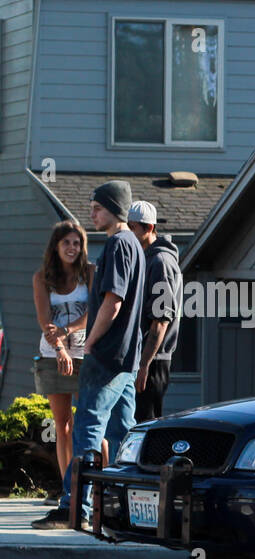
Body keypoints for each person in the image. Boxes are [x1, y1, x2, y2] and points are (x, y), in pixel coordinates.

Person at [32, 181, 146, 530]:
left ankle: (74, 508)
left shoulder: (118, 243)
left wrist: (92, 341)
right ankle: (125, 507)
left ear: (114, 209)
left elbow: (113, 301)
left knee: (87, 430)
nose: (92, 214)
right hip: (126, 357)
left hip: (108, 355)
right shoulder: (134, 244)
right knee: (123, 433)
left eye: (97, 208)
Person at [31, 220, 93, 504]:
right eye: (66, 242)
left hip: (86, 354)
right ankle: (69, 487)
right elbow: (45, 319)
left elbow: (94, 313)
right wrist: (59, 349)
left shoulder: (89, 273)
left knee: (90, 421)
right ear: (55, 246)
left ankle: (96, 487)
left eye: (76, 243)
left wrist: (67, 331)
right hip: (52, 355)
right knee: (63, 424)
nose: (72, 248)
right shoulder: (42, 278)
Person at [127, 200, 183, 422]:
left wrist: (144, 365)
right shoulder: (143, 257)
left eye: (132, 227)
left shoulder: (161, 262)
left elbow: (161, 319)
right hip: (140, 357)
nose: (128, 232)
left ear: (149, 228)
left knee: (145, 424)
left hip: (154, 359)